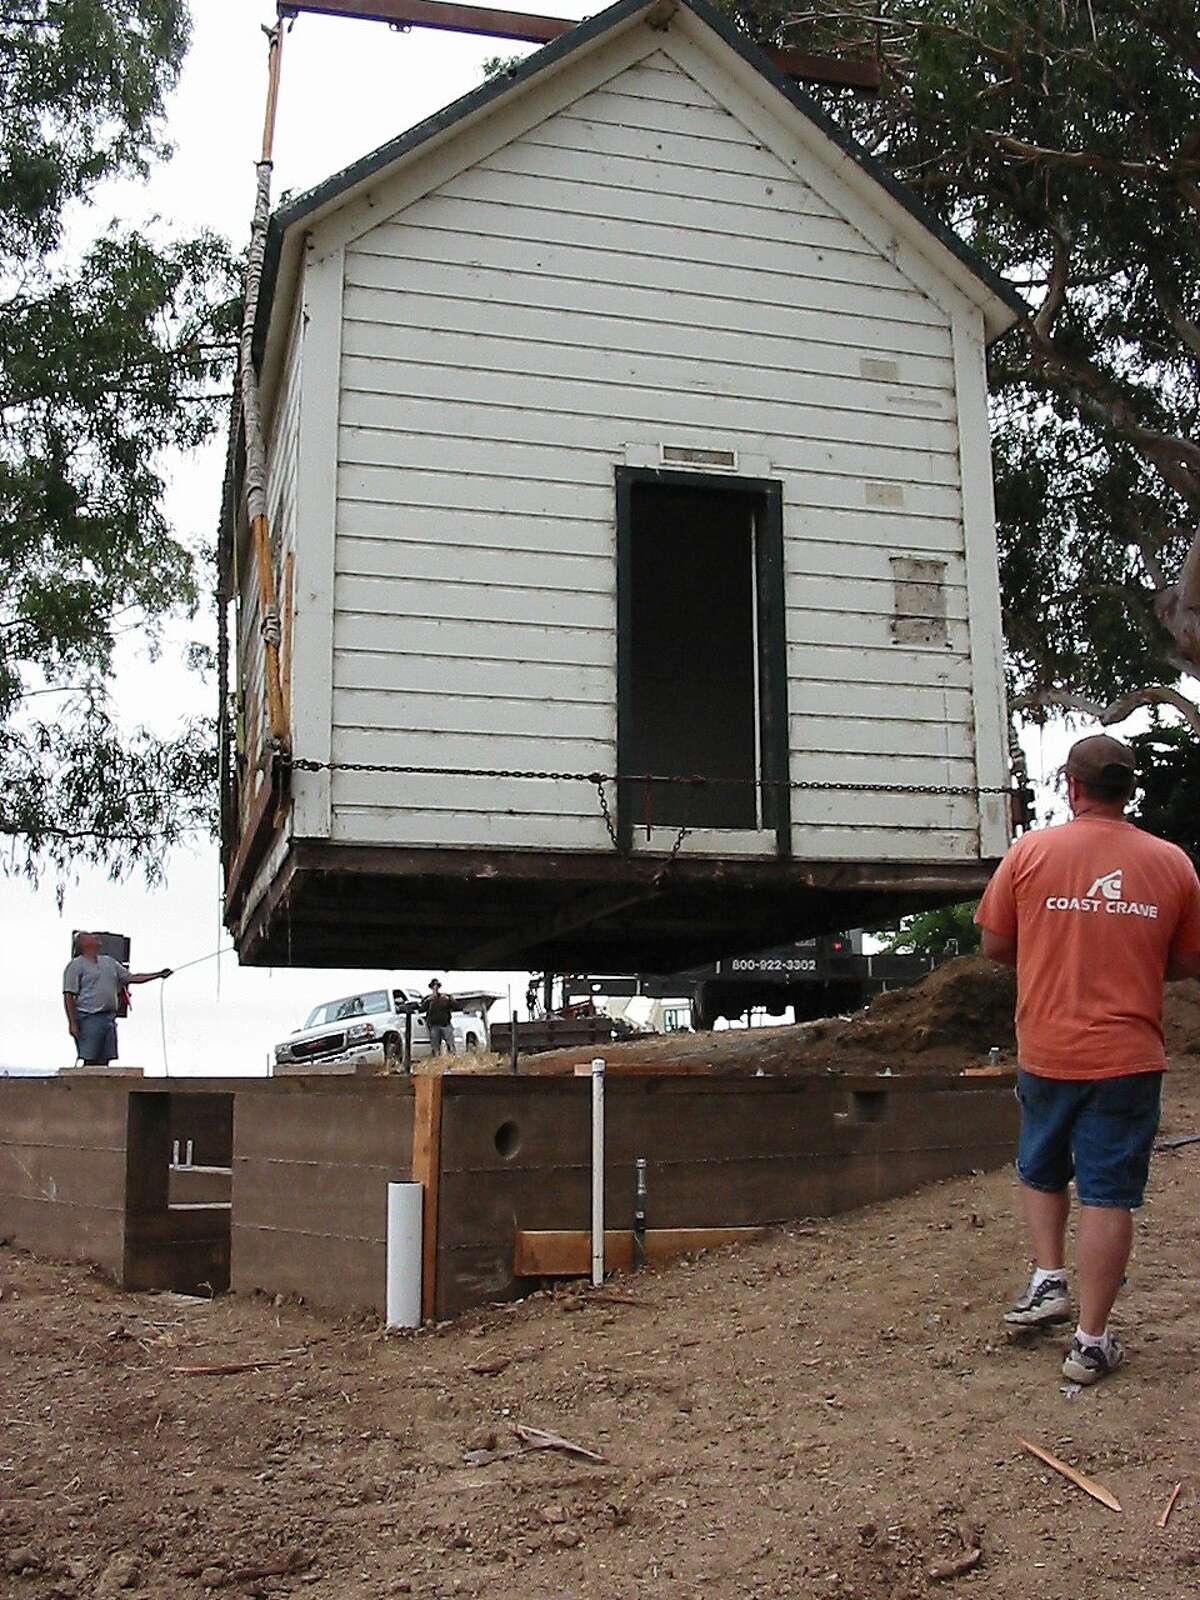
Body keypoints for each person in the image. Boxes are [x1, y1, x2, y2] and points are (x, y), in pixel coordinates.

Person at [976, 733, 1200, 1385]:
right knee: (1108, 1193)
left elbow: (995, 944)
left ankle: (1049, 1278)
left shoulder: (1031, 852)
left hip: (1046, 1049)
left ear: (1070, 786)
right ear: (1129, 790)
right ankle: (1091, 1343)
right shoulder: (1173, 864)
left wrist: (1055, 944)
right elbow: (1189, 959)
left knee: (1040, 1166)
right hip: (1129, 1057)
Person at [63, 933, 173, 1066]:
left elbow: (132, 977)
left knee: (106, 1058)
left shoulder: (109, 962)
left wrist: (159, 974)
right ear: (83, 944)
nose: (95, 937)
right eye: (89, 936)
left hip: (108, 1017)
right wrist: (72, 1023)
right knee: (90, 1058)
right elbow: (68, 994)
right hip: (88, 1017)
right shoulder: (76, 965)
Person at [422, 978, 456, 1057]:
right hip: (434, 1026)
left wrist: (450, 999)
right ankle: (437, 1060)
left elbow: (455, 1006)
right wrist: (428, 1000)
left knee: (450, 1044)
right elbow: (421, 1008)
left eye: (436, 986)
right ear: (431, 988)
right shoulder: (428, 998)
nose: (435, 988)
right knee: (435, 1046)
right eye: (433, 986)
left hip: (446, 1024)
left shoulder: (446, 997)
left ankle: (452, 1059)